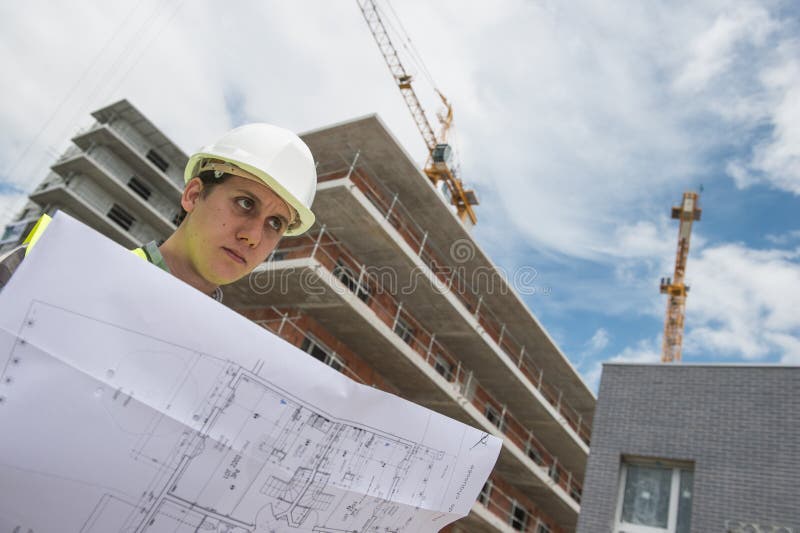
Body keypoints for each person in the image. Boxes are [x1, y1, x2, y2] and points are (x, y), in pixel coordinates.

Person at [0, 123, 317, 297]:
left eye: (275, 223)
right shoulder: (51, 269)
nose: (252, 236)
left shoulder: (229, 362)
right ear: (194, 195)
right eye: (245, 203)